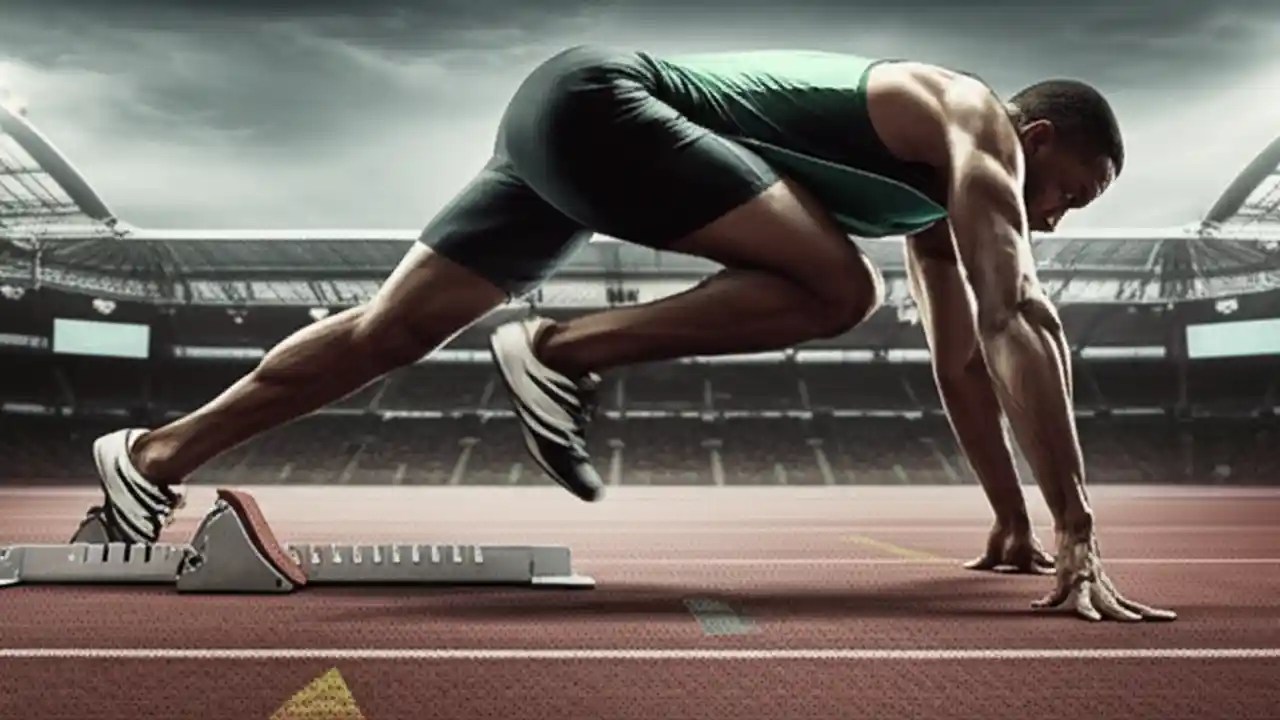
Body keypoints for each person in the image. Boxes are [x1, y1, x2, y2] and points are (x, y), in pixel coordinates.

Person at [90, 45, 1173, 622]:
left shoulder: (934, 209)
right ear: (1032, 137)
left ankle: (151, 455)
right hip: (611, 107)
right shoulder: (969, 116)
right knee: (836, 292)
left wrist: (1010, 518)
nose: (1054, 219)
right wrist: (1079, 527)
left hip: (560, 123)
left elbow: (963, 356)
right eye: (1068, 193)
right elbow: (1018, 311)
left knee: (388, 330)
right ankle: (559, 349)